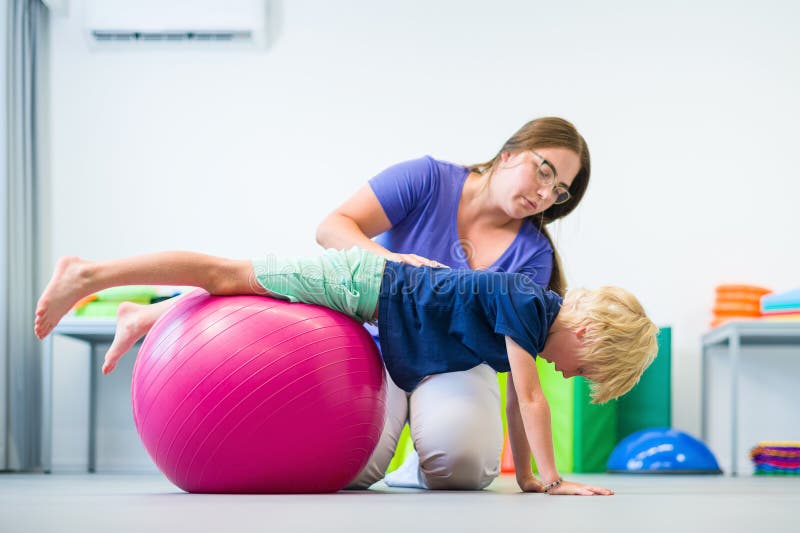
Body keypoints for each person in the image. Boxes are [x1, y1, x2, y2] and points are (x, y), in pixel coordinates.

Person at [34, 246, 659, 496]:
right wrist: (553, 481)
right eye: (586, 370)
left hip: (379, 306)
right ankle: (92, 274)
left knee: (257, 297)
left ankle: (143, 320)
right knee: (230, 276)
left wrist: (526, 479)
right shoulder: (529, 305)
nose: (573, 378)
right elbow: (529, 400)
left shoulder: (528, 326)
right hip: (364, 283)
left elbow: (512, 405)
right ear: (587, 334)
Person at [315, 116, 591, 489]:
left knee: (463, 466)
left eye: (558, 190)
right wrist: (395, 263)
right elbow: (332, 227)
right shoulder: (427, 179)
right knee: (349, 468)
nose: (545, 194)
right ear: (508, 154)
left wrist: (532, 477)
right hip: (376, 343)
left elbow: (520, 380)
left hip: (457, 363)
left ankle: (419, 465)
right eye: (544, 172)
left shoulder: (533, 254)